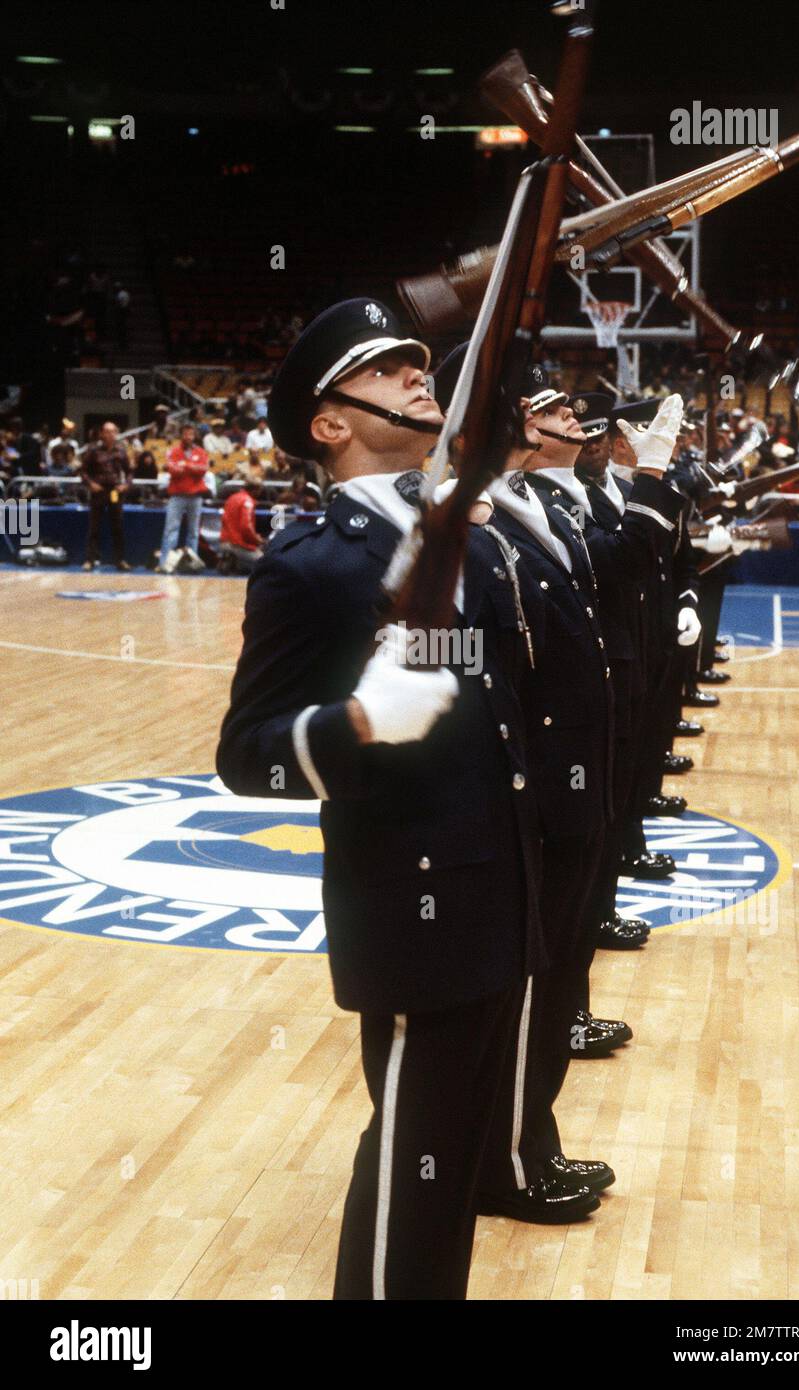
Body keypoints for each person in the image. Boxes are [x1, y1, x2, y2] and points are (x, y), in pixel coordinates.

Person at [217, 299, 560, 1299]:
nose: (420, 374)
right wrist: (357, 724)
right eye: (388, 367)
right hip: (415, 913)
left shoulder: (466, 535)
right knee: (411, 1169)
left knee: (448, 1168)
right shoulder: (312, 564)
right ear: (329, 422)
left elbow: (484, 682)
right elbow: (247, 757)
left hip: (503, 891)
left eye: (421, 361)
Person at [80, 421, 132, 571]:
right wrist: (91, 484)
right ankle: (90, 559)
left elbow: (129, 472)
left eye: (113, 431)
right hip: (99, 491)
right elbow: (83, 472)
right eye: (107, 432)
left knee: (117, 526)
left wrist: (126, 485)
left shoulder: (121, 451)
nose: (110, 435)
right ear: (102, 433)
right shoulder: (93, 450)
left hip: (115, 491)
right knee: (94, 527)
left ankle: (120, 560)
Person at [157, 423, 208, 572]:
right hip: (177, 496)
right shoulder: (173, 451)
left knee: (193, 532)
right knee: (171, 530)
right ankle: (165, 564)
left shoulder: (201, 452)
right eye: (186, 434)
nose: (188, 437)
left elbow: (203, 470)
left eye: (191, 434)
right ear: (181, 435)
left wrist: (185, 464)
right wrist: (192, 467)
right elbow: (173, 470)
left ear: (194, 436)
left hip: (196, 497)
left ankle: (192, 565)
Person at [219, 480, 265, 572]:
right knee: (264, 562)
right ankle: (237, 563)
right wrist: (257, 540)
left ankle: (234, 560)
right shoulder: (248, 502)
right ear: (255, 490)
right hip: (237, 544)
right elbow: (246, 527)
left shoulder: (232, 498)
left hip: (224, 541)